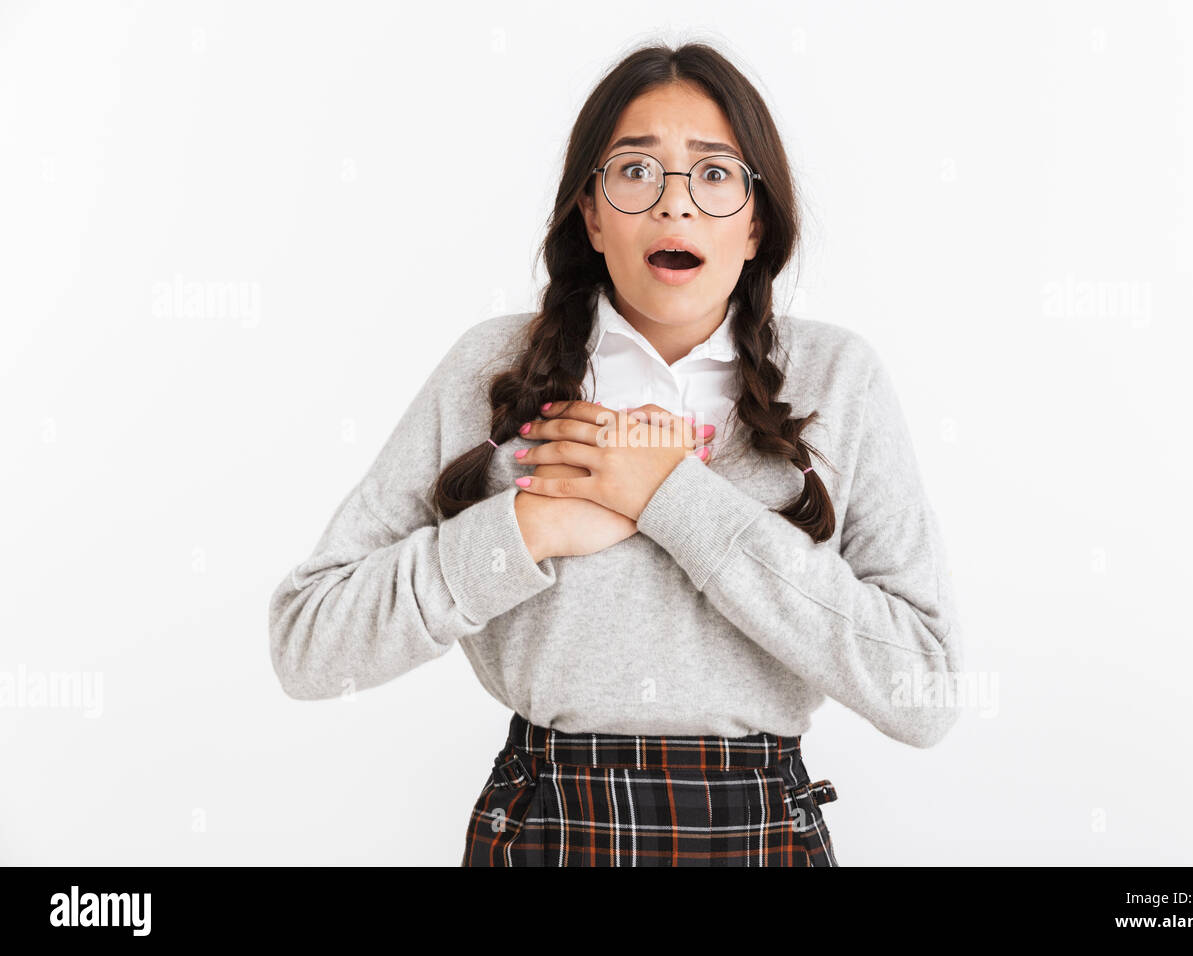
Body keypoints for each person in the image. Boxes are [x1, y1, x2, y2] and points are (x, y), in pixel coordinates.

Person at [268, 41, 963, 867]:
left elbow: (927, 694)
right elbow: (307, 646)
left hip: (764, 831)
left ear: (757, 221)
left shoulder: (838, 378)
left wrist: (670, 497)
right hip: (550, 827)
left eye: (714, 175)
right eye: (636, 172)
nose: (676, 207)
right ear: (592, 214)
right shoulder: (493, 371)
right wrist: (524, 530)